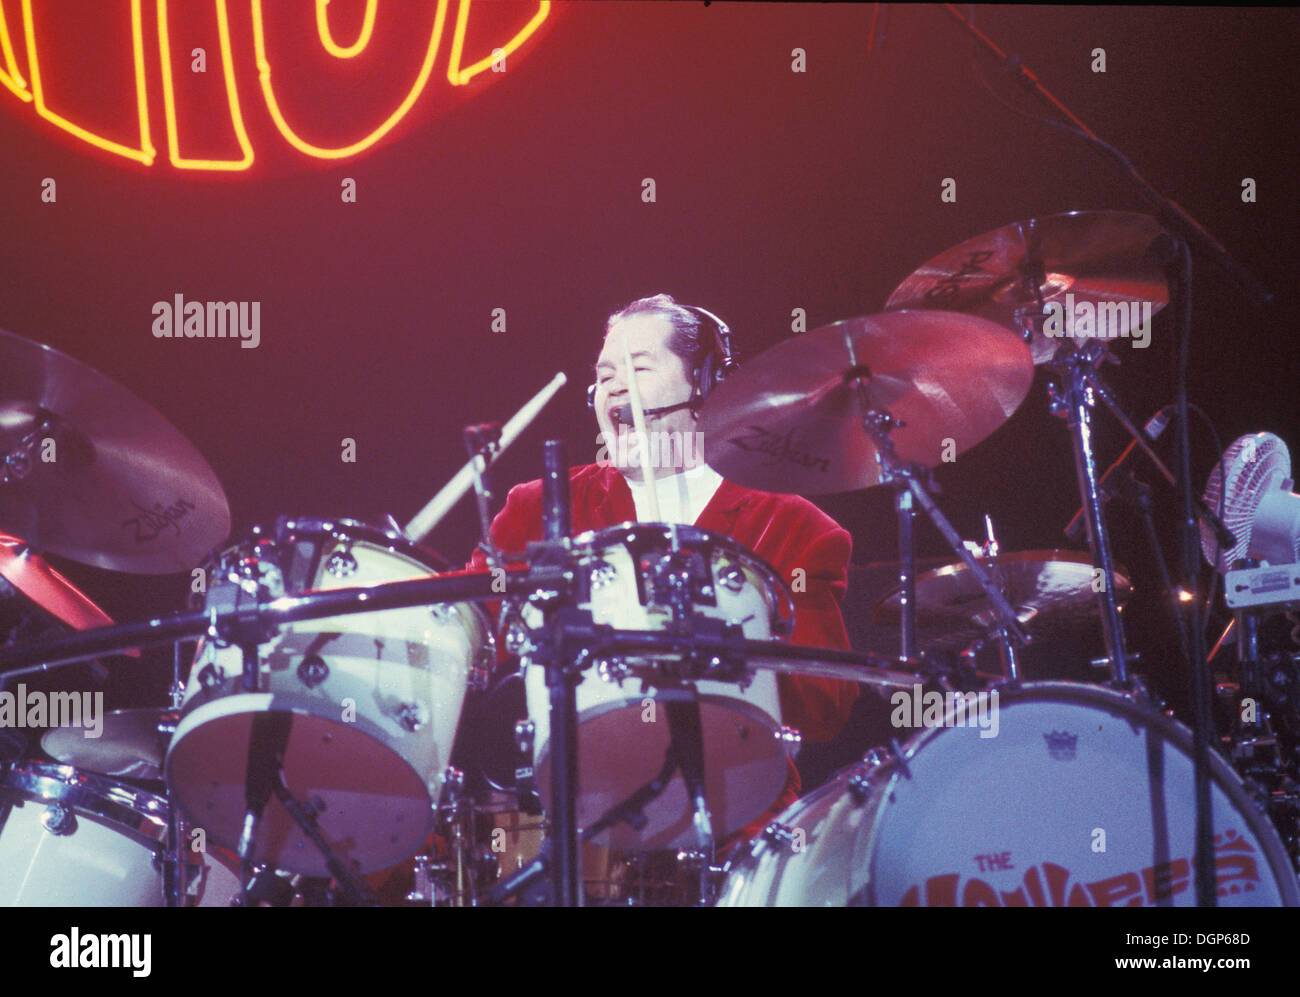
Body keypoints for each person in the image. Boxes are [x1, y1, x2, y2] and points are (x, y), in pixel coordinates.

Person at [471, 294, 859, 842]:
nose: (614, 387)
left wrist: (723, 644)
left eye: (638, 368)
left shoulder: (792, 524)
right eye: (604, 376)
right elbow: (466, 628)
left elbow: (827, 703)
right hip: (570, 821)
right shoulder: (537, 509)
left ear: (705, 384)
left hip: (737, 819)